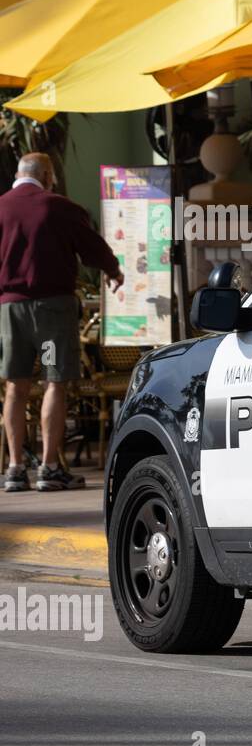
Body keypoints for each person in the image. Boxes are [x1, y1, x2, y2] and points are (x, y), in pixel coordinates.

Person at [1, 152, 123, 492]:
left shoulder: (1, 207)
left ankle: (14, 469)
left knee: (16, 384)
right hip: (52, 313)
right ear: (47, 175)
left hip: (11, 311)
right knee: (54, 381)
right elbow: (93, 249)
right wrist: (113, 271)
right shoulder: (60, 207)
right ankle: (50, 467)